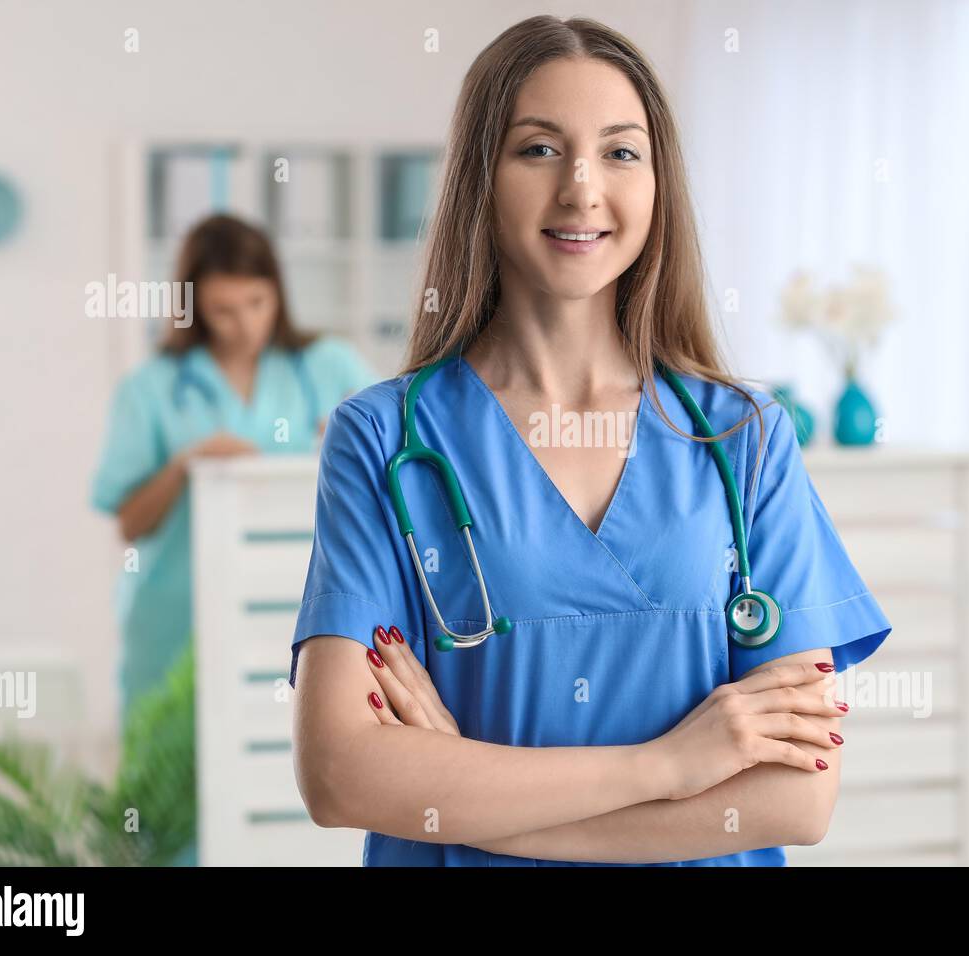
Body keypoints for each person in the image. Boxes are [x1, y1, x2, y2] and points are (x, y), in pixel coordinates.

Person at [289, 16, 891, 867]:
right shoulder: (384, 439)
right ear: (480, 179)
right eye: (538, 150)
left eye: (620, 152)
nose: (581, 189)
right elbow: (341, 775)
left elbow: (796, 797)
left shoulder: (743, 441)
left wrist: (462, 792)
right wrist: (668, 765)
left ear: (657, 183)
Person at [92, 213, 376, 727]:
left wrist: (347, 443)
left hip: (294, 605)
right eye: (223, 310)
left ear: (278, 295)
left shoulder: (330, 365)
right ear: (193, 305)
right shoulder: (151, 387)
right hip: (175, 619)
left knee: (284, 763)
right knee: (167, 786)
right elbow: (129, 523)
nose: (245, 325)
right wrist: (184, 466)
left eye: (257, 304)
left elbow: (396, 464)